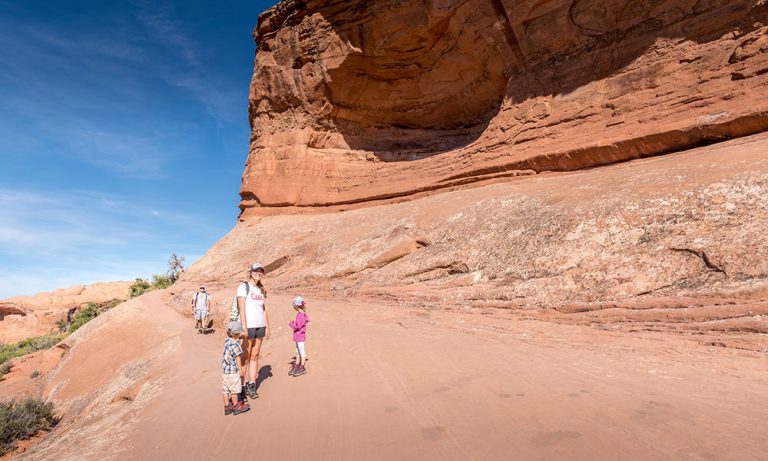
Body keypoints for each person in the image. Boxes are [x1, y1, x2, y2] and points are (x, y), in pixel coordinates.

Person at [237, 263, 271, 399]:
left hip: (260, 325)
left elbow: (263, 309)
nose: (259, 273)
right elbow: (242, 307)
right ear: (251, 272)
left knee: (255, 355)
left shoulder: (261, 289)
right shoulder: (243, 287)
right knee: (245, 357)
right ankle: (240, 387)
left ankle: (252, 384)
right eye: (256, 271)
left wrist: (268, 326)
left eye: (261, 271)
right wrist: (243, 327)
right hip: (248, 326)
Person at [222, 321, 250, 415]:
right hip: (233, 371)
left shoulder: (227, 341)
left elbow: (233, 339)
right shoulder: (236, 345)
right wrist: (241, 370)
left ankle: (227, 406)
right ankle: (236, 406)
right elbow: (238, 358)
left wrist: (239, 337)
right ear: (237, 333)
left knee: (225, 389)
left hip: (225, 371)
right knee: (234, 390)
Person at [288, 296, 309, 376]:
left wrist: (291, 324)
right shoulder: (302, 314)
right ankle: (297, 365)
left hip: (300, 336)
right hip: (298, 336)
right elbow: (303, 322)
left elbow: (298, 326)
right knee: (297, 352)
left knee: (301, 352)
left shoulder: (300, 315)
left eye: (293, 305)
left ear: (296, 306)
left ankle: (302, 367)